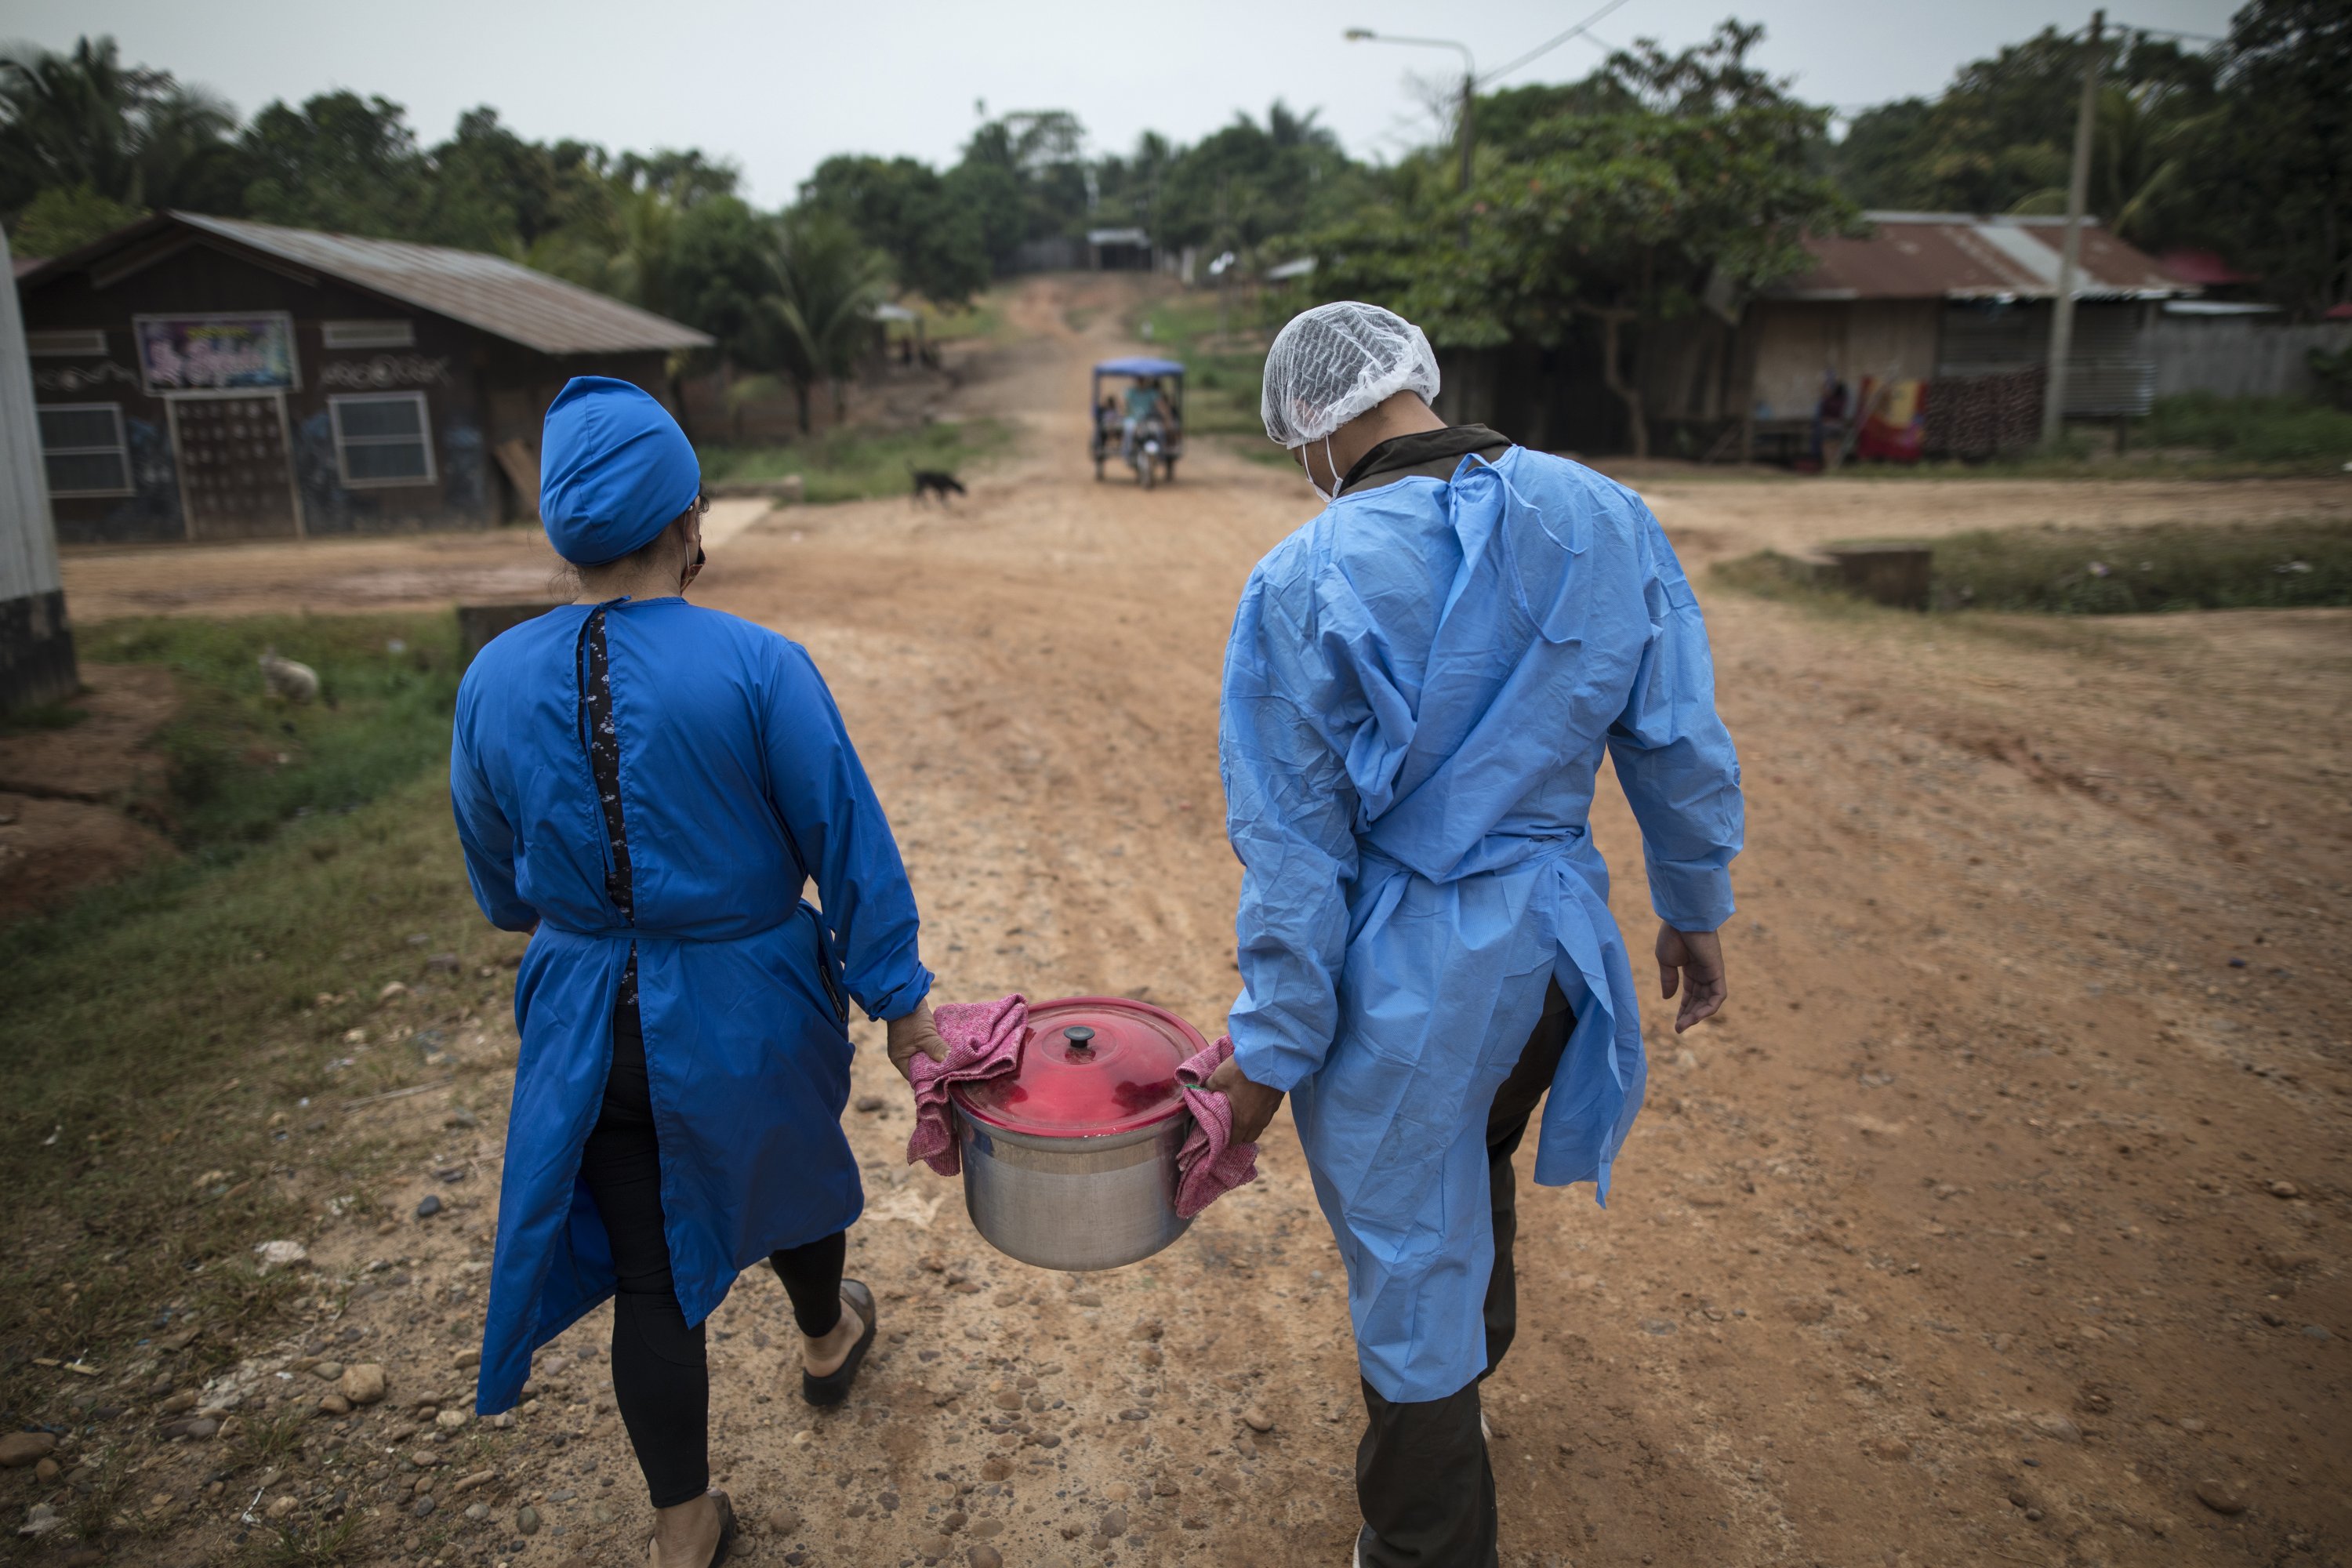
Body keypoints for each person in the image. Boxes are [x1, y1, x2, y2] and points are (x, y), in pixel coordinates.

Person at [1205, 303, 1744, 1566]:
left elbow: (1296, 854)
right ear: (1416, 380)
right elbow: (1676, 734)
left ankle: (1423, 1539)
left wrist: (1268, 1055)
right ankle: (1473, 1360)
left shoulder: (1303, 577)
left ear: (1310, 429)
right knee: (1477, 1138)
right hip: (1559, 953)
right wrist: (1694, 904)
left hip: (1414, 975)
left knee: (1405, 1245)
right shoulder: (1603, 512)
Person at [452, 376, 949, 1568]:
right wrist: (902, 1004)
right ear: (688, 519)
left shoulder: (491, 677)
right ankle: (826, 1340)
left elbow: (499, 882)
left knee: (650, 1273)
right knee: (789, 1175)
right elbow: (846, 841)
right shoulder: (759, 664)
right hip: (749, 1004)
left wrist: (579, 923)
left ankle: (684, 1530)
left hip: (587, 1018)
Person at [1120, 376, 1173, 458]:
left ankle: (1161, 454)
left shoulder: (1152, 393)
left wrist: (1166, 418)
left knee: (1159, 431)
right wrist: (1124, 412)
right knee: (1129, 431)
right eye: (1139, 380)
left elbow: (1161, 406)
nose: (1141, 382)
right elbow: (1124, 405)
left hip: (1148, 420)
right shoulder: (1130, 392)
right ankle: (1127, 454)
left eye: (1143, 380)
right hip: (1133, 419)